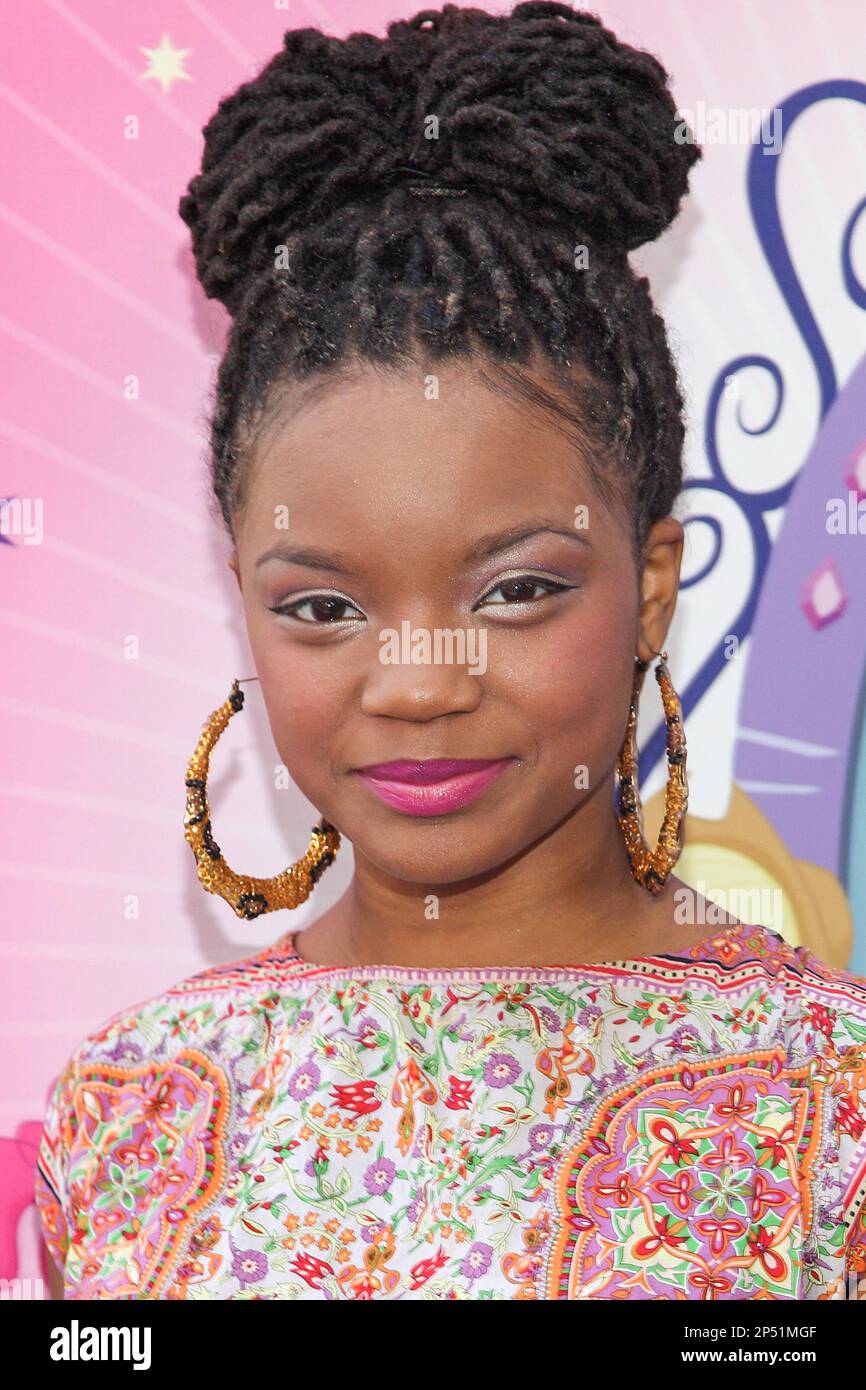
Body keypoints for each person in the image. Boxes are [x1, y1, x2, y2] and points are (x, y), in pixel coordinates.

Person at [34, 1, 866, 1301]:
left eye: (516, 587)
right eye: (322, 607)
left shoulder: (831, 1107)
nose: (416, 678)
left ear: (651, 589)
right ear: (241, 592)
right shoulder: (122, 1115)